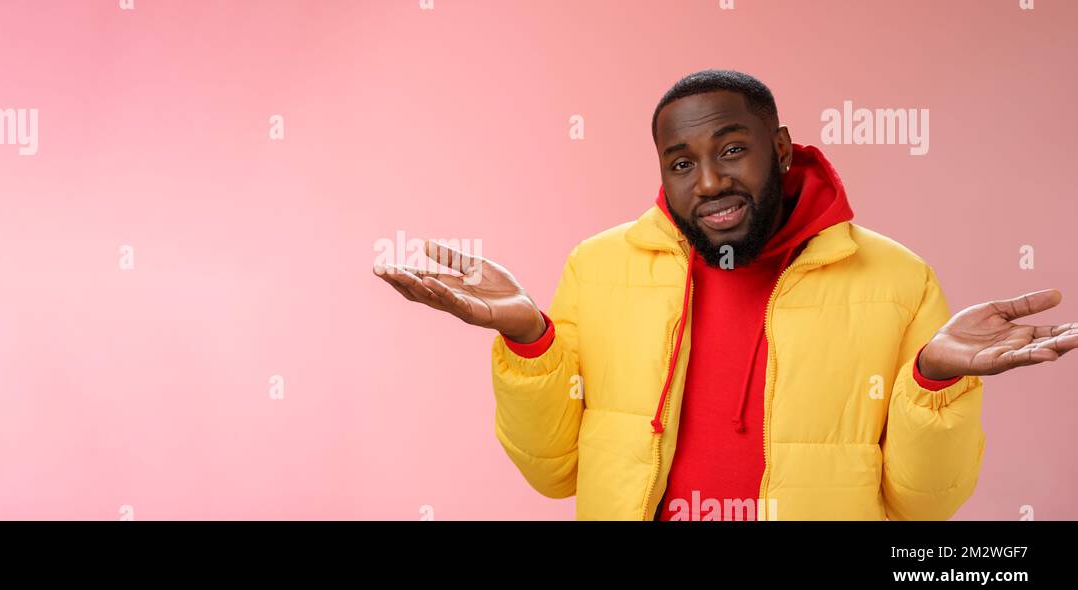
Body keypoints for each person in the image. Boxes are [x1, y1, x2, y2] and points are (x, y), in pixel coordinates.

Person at [373, 69, 1076, 520]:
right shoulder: (598, 266)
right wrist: (532, 341)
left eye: (731, 150)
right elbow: (555, 475)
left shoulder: (897, 279)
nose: (708, 182)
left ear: (781, 144)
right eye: (682, 163)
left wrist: (935, 381)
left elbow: (922, 506)